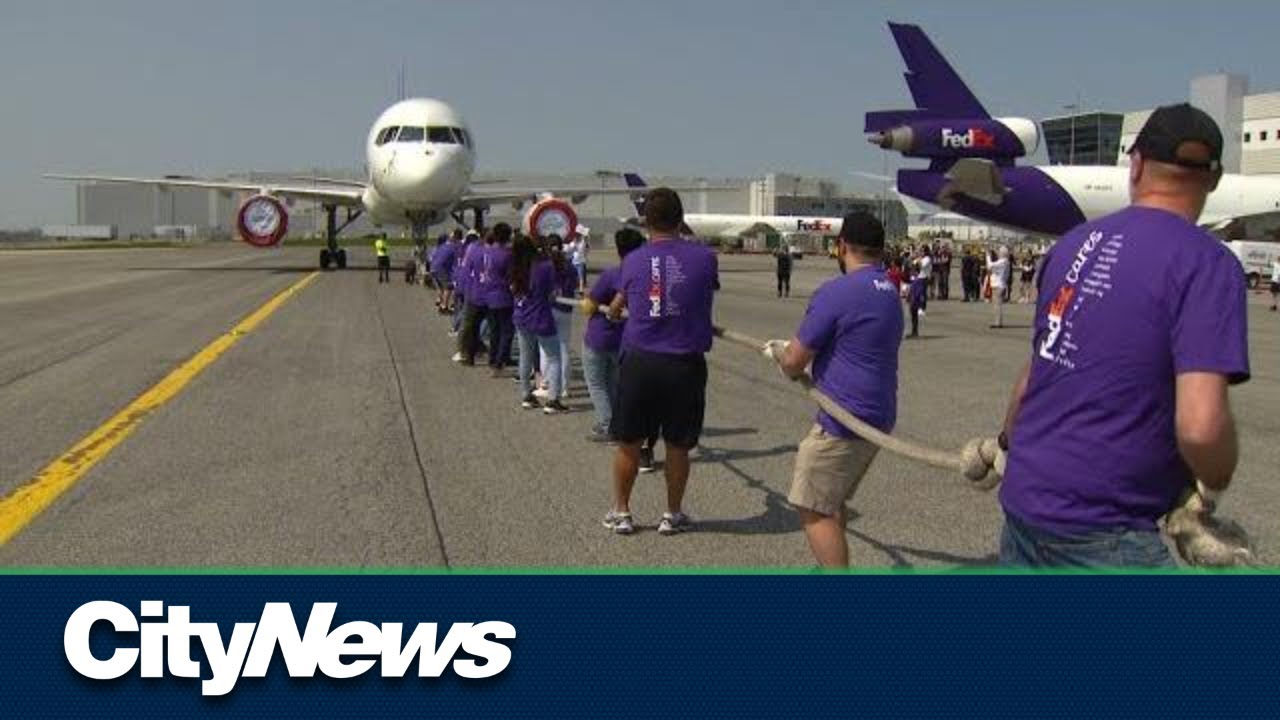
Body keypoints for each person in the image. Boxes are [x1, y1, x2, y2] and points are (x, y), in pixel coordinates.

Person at [997, 103, 1250, 568]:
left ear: (1134, 165)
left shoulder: (1072, 246)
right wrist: (1210, 488)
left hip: (1025, 505)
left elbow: (1037, 370)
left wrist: (1004, 445)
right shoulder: (1207, 263)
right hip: (1106, 529)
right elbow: (1200, 426)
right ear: (1212, 181)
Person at [765, 212, 903, 567]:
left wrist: (781, 354)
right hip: (878, 412)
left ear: (842, 247)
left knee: (812, 506)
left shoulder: (838, 292)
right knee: (832, 498)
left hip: (846, 418)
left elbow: (795, 361)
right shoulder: (888, 289)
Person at [603, 187, 718, 536]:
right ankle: (672, 513)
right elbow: (700, 293)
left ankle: (622, 512)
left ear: (646, 222)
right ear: (681, 220)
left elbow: (618, 306)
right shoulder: (705, 257)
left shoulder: (633, 260)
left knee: (629, 442)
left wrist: (614, 310)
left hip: (641, 361)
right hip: (684, 363)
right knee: (678, 446)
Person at [582, 228, 646, 441]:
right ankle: (617, 422)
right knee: (614, 383)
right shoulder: (644, 276)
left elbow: (590, 306)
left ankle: (607, 424)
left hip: (600, 337)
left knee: (596, 383)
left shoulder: (612, 274)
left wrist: (587, 299)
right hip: (624, 340)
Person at [511, 233, 566, 414]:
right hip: (540, 316)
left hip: (521, 315)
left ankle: (526, 395)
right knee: (554, 357)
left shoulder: (515, 268)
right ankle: (552, 399)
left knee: (525, 357)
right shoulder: (544, 267)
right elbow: (552, 291)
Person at [480, 223, 516, 376]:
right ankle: (499, 363)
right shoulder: (507, 254)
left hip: (488, 295)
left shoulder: (488, 251)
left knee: (494, 331)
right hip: (503, 296)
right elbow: (511, 275)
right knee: (507, 331)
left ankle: (494, 358)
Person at [453, 230, 490, 365]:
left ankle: (467, 353)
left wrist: (461, 289)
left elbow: (465, 271)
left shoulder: (472, 250)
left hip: (473, 294)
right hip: (488, 295)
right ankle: (488, 355)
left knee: (469, 325)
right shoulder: (490, 252)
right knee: (491, 327)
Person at [433, 229, 461, 314]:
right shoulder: (454, 247)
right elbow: (456, 262)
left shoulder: (443, 246)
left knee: (442, 287)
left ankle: (441, 302)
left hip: (435, 267)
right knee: (448, 287)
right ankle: (444, 306)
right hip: (442, 269)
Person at [987, 246, 1009, 328]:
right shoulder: (1005, 261)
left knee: (997, 305)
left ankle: (998, 322)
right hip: (1001, 284)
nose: (998, 253)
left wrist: (988, 256)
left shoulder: (1002, 261)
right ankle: (997, 321)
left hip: (998, 285)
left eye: (999, 252)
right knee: (997, 304)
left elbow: (990, 265)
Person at [906, 265, 927, 338]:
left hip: (915, 302)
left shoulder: (918, 281)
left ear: (916, 272)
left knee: (914, 318)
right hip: (913, 301)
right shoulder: (914, 280)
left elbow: (919, 292)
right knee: (913, 318)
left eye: (912, 271)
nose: (911, 272)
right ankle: (914, 331)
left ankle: (915, 332)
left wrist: (913, 298)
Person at [570, 229, 590, 295]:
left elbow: (586, 242)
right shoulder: (572, 243)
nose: (577, 238)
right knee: (573, 276)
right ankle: (573, 287)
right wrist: (574, 244)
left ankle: (581, 290)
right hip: (573, 262)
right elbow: (570, 250)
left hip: (580, 262)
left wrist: (585, 234)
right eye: (576, 236)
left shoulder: (582, 242)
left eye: (578, 236)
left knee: (580, 276)